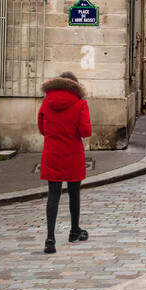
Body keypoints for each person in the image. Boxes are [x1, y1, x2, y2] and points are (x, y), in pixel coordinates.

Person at [37, 72, 92, 255]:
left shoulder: (46, 103)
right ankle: (74, 231)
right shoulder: (80, 103)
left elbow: (42, 129)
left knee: (53, 195)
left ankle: (50, 238)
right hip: (73, 154)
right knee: (74, 193)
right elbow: (85, 131)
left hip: (51, 153)